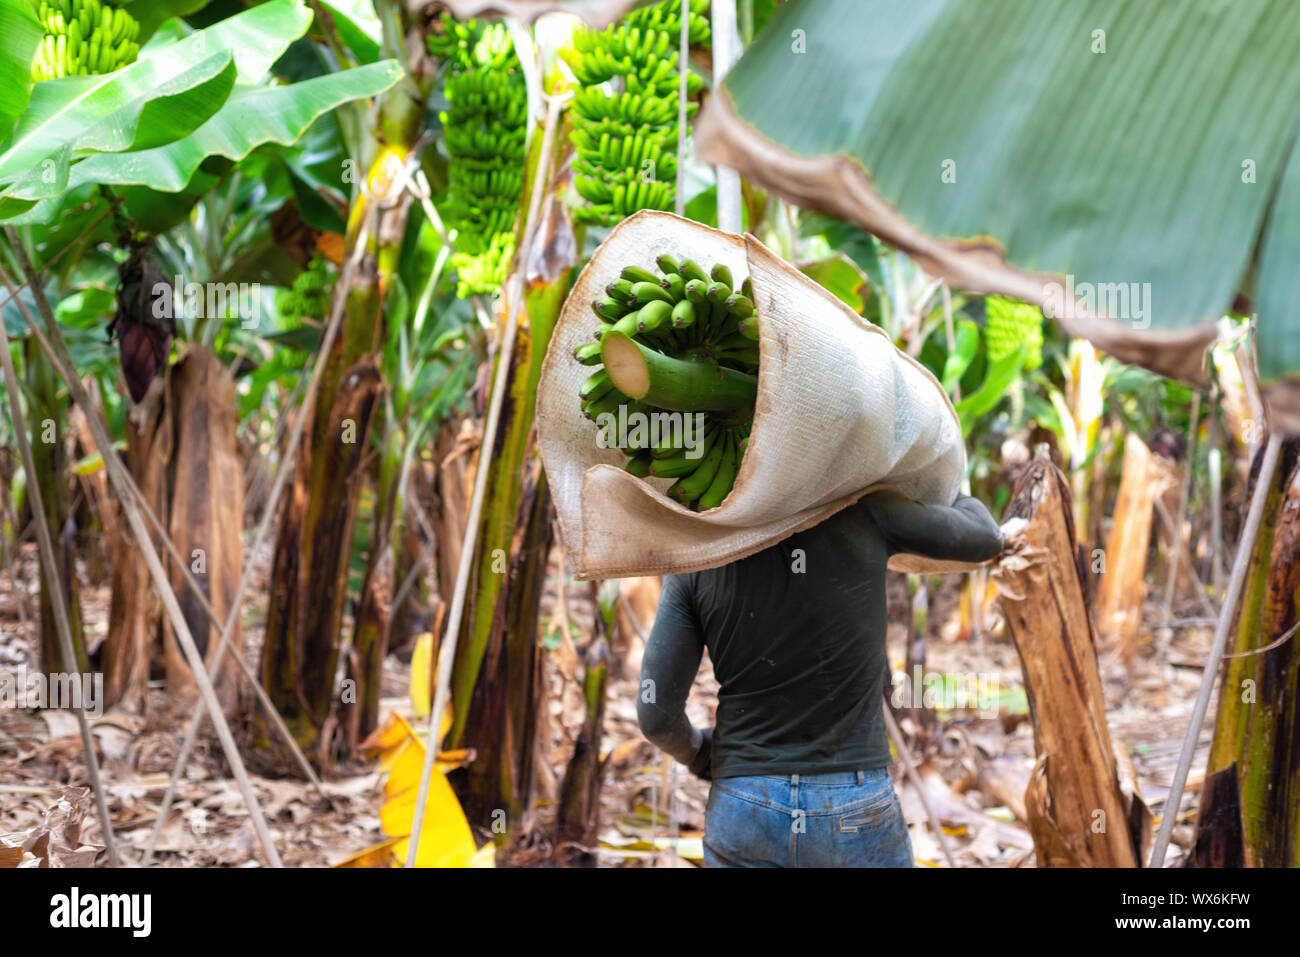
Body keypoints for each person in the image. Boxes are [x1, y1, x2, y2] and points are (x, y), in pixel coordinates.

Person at [636, 489, 1003, 867]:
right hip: (854, 807)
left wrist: (699, 754)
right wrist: (947, 486)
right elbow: (985, 538)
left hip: (744, 803)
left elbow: (656, 714)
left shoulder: (700, 552)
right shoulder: (868, 513)